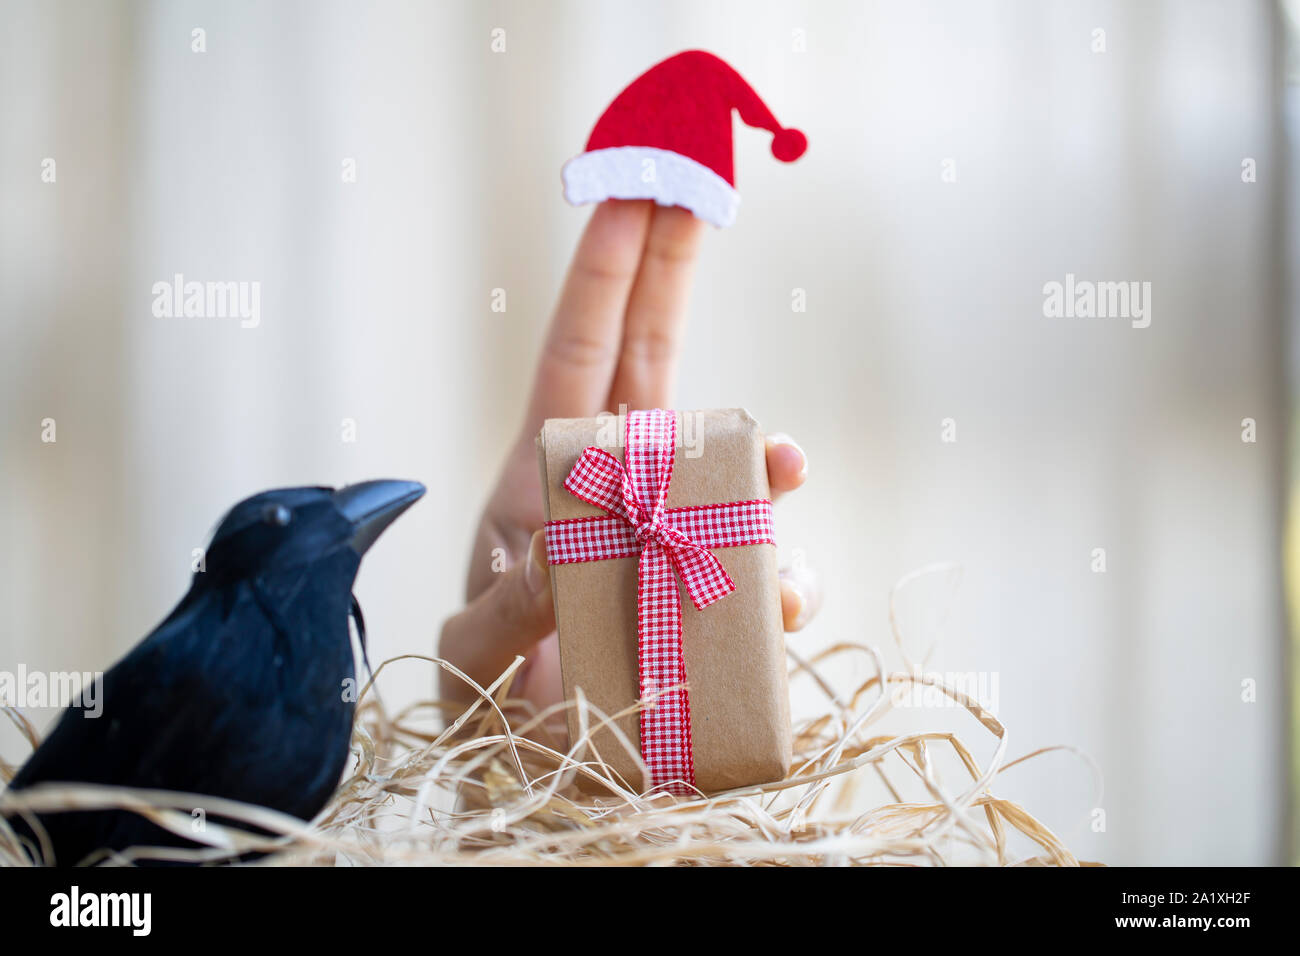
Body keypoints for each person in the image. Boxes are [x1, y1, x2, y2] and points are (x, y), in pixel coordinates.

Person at [438, 200, 822, 720]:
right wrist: (505, 753)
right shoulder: (537, 558)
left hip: (614, 757)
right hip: (546, 752)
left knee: (786, 593)